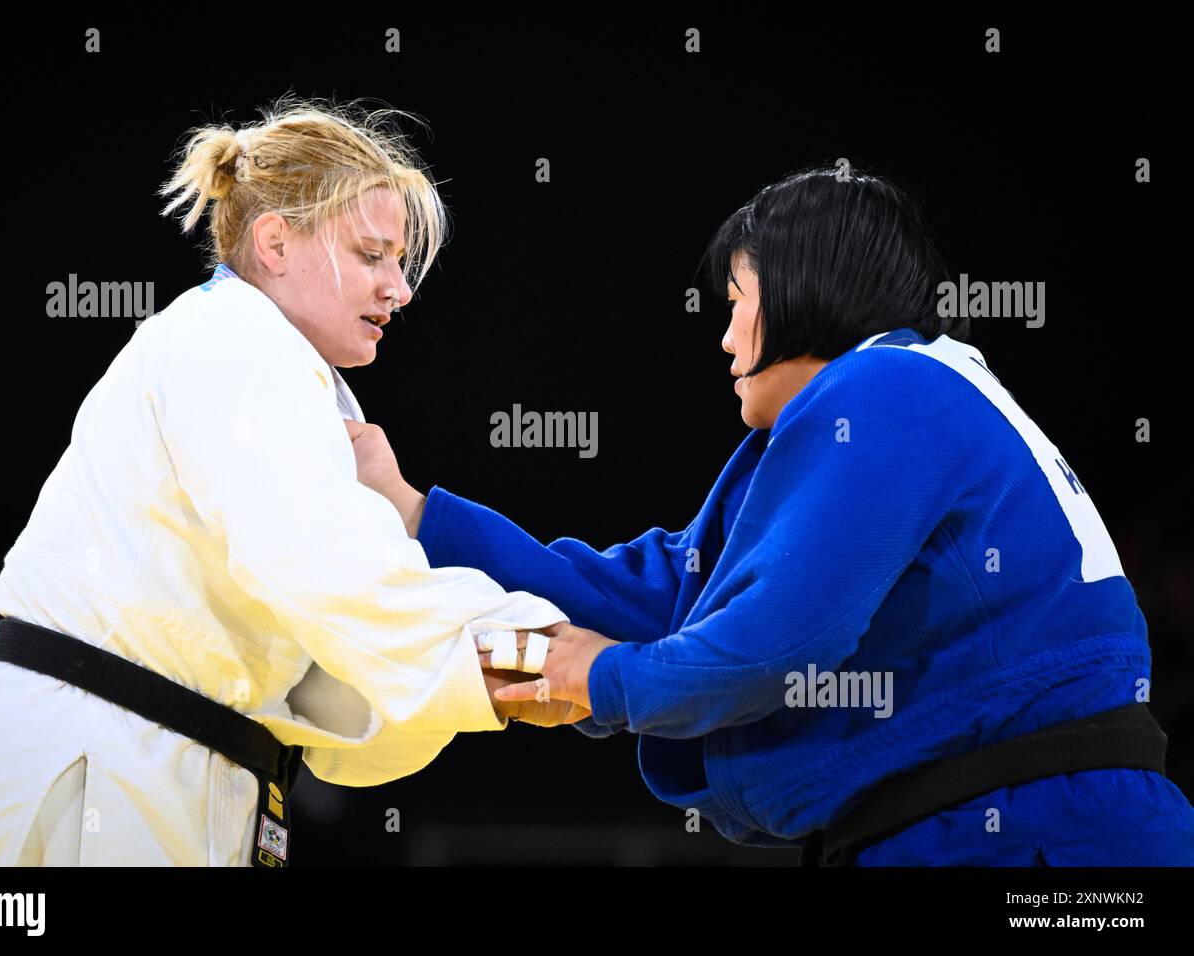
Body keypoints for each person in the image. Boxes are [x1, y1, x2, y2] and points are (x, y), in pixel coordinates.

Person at [348, 164, 1194, 865]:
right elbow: (664, 600)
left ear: (801, 288)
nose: (724, 337)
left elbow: (776, 645)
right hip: (990, 824)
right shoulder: (892, 401)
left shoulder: (889, 388)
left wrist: (600, 679)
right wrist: (417, 512)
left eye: (736, 298)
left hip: (1040, 831)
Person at [0, 97, 576, 868]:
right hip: (92, 762)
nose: (400, 288)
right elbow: (324, 566)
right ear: (276, 242)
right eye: (372, 255)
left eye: (398, 261)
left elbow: (323, 676)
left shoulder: (295, 388)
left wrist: (487, 682)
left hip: (173, 764)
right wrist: (519, 645)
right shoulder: (230, 338)